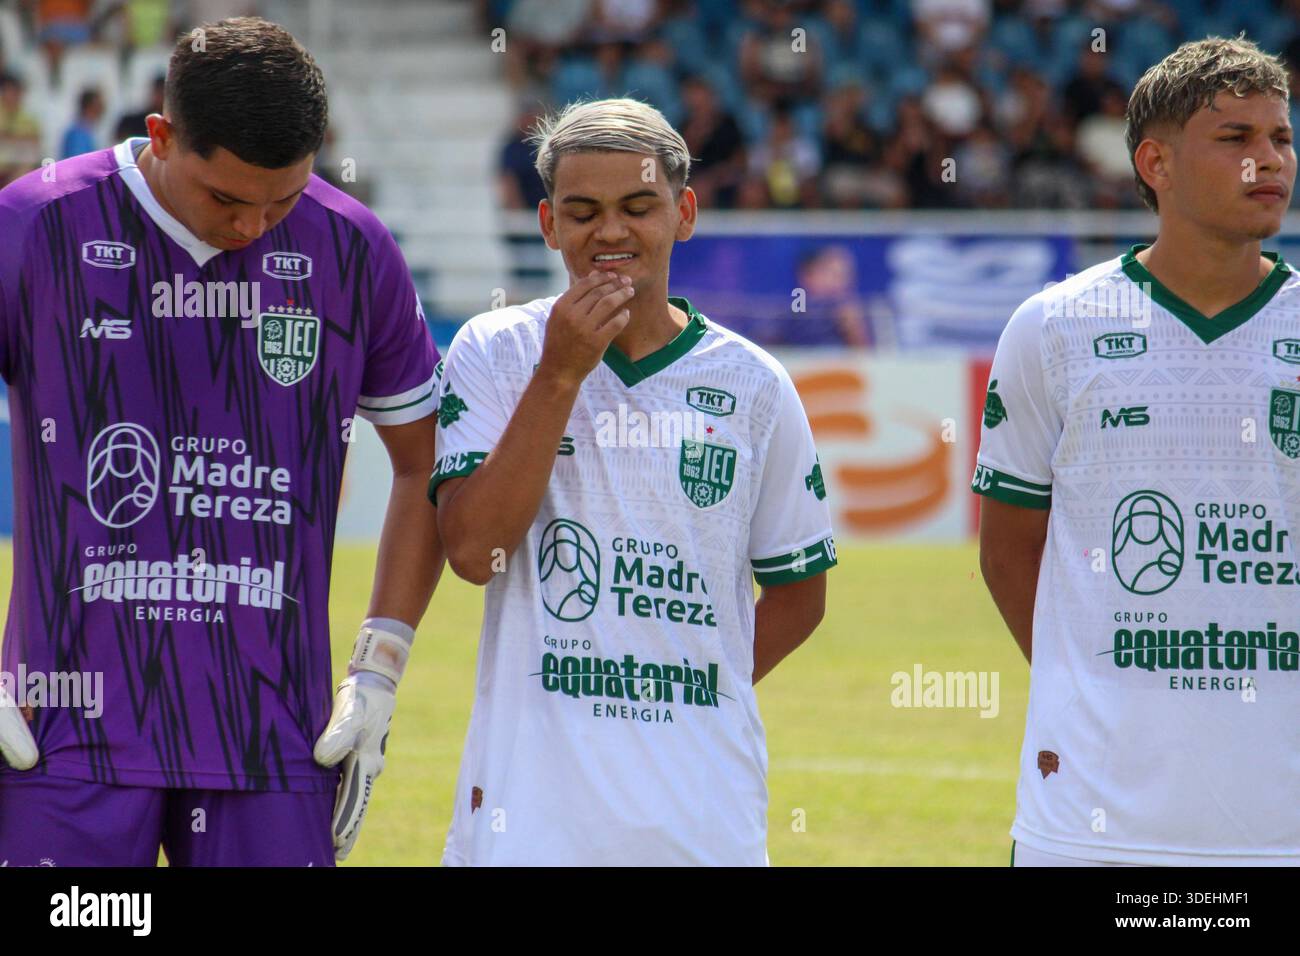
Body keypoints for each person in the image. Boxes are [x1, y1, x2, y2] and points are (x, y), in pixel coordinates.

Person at [0, 17, 445, 866]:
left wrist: (380, 663)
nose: (254, 226)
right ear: (162, 135)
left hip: (273, 737)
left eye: (282, 200)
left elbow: (424, 461)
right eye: (228, 199)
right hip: (60, 729)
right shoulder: (34, 225)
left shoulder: (353, 249)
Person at [431, 98, 836, 865]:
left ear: (683, 213)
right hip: (529, 818)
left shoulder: (754, 384)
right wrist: (560, 373)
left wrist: (696, 684)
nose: (610, 232)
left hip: (700, 818)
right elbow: (472, 551)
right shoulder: (497, 350)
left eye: (637, 207)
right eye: (582, 212)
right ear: (548, 226)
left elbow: (799, 592)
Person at [974, 36, 1300, 866]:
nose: (1269, 160)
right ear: (1155, 162)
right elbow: (1010, 549)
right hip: (1089, 826)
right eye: (1236, 140)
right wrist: (1102, 692)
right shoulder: (1054, 328)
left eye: (1281, 138)